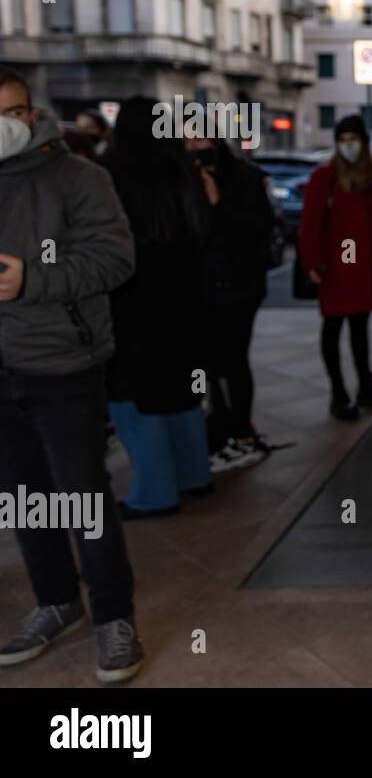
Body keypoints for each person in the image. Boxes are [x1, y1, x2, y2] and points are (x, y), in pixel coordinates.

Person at [0, 68, 144, 683]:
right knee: (23, 499)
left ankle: (114, 616)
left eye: (14, 111)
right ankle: (55, 600)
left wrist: (32, 279)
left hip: (63, 363)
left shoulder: (79, 177)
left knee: (83, 497)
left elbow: (114, 259)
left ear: (33, 114)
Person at [102, 96, 214, 517]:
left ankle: (154, 492)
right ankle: (194, 475)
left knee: (132, 396)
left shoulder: (112, 174)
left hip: (132, 301)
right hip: (185, 299)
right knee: (181, 391)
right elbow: (204, 229)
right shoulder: (183, 170)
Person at [184, 127, 276, 472]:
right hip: (200, 287)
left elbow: (261, 227)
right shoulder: (181, 176)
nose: (194, 146)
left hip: (239, 286)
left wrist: (218, 204)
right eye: (185, 141)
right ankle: (217, 431)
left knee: (233, 359)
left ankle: (240, 433)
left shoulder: (244, 177)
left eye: (199, 138)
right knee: (207, 364)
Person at [298, 115, 372, 421]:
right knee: (332, 327)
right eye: (341, 140)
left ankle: (365, 387)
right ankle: (338, 393)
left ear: (364, 143)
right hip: (335, 269)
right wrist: (312, 261)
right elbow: (310, 224)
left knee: (359, 328)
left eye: (352, 139)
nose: (348, 146)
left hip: (362, 269)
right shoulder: (323, 177)